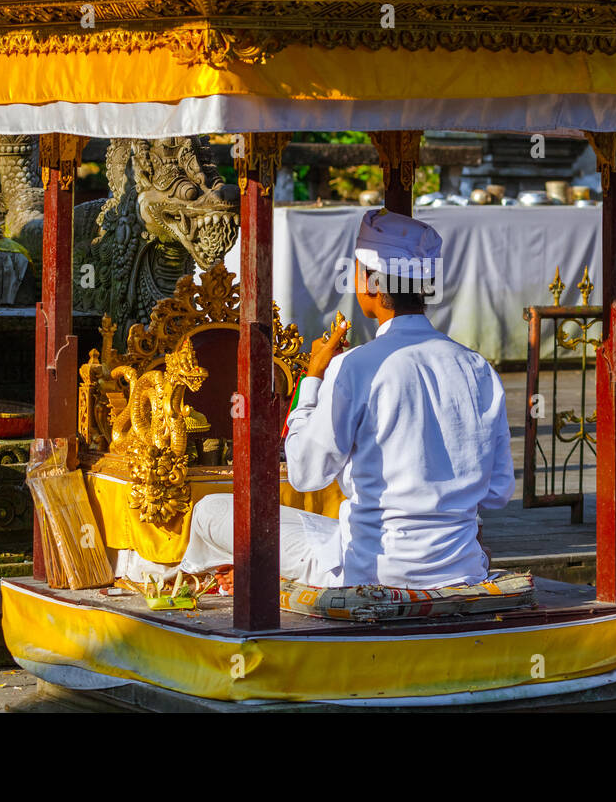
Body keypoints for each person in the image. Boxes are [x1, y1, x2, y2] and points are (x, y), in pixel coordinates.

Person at [179, 209, 515, 588]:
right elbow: (498, 492)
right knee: (321, 525)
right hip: (459, 565)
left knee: (210, 511)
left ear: (369, 282)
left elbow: (306, 473)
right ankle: (249, 572)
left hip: (370, 568)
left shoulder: (355, 366)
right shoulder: (478, 368)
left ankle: (213, 585)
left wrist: (313, 377)